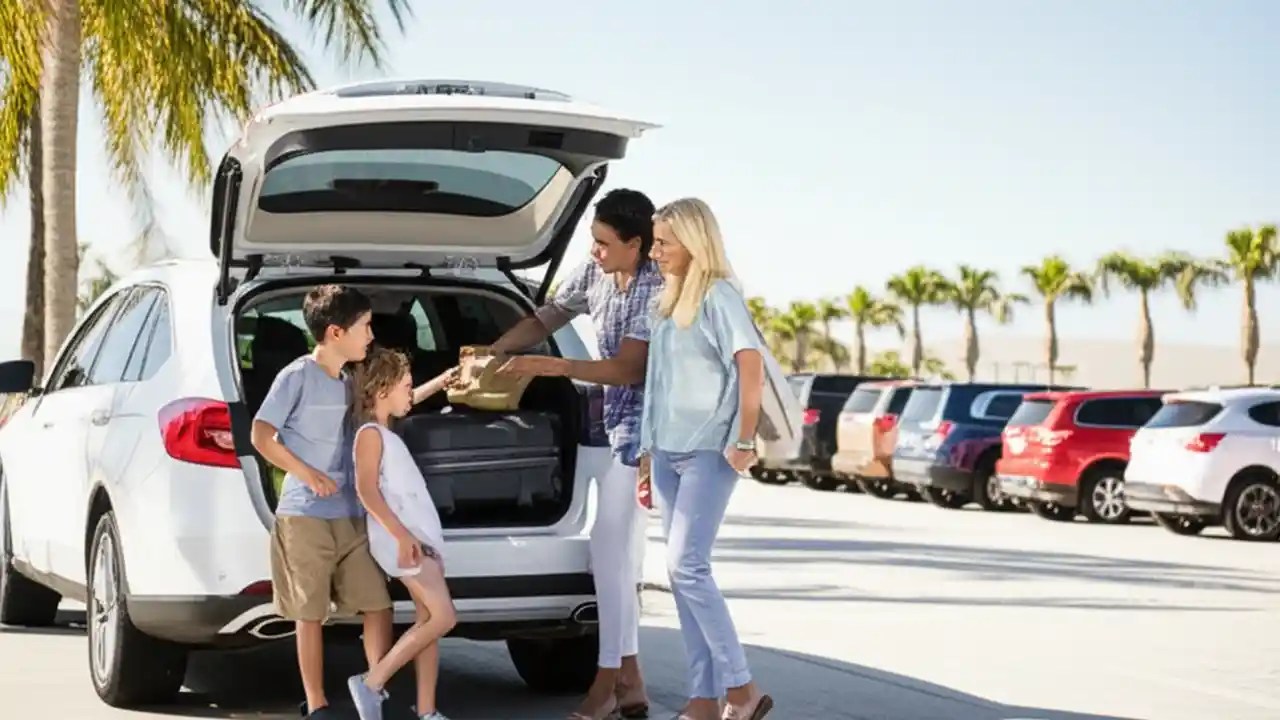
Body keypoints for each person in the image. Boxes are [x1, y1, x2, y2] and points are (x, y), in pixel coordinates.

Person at [491, 188, 661, 720]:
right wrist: (491, 352)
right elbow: (547, 318)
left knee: (611, 551)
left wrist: (555, 369)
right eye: (593, 241)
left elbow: (631, 368)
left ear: (636, 243)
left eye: (605, 244)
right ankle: (628, 680)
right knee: (614, 556)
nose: (595, 252)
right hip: (613, 426)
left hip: (649, 434)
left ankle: (608, 682)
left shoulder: (655, 286)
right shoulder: (597, 274)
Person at [640, 198, 774, 720]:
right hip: (669, 451)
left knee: (687, 566)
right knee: (681, 574)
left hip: (708, 452)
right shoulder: (669, 301)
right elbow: (659, 385)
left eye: (663, 243)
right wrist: (649, 455)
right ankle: (702, 699)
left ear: (694, 243)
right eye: (654, 242)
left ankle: (741, 689)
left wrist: (742, 440)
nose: (655, 252)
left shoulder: (719, 296)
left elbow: (750, 365)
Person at [250, 285, 393, 720]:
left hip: (351, 515)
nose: (370, 335)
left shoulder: (350, 381)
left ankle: (374, 689)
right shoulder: (296, 376)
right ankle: (316, 705)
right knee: (309, 614)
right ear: (335, 332)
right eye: (365, 327)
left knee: (378, 605)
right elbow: (261, 435)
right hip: (304, 517)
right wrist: (306, 472)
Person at [347, 348, 459, 720]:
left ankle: (426, 711)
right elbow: (367, 491)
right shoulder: (369, 435)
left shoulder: (385, 432)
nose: (411, 395)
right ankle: (371, 683)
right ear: (382, 390)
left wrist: (442, 383)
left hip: (416, 540)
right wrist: (402, 537)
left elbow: (407, 397)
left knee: (429, 622)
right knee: (444, 617)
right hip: (402, 543)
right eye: (406, 387)